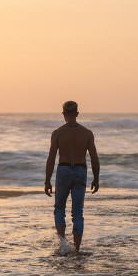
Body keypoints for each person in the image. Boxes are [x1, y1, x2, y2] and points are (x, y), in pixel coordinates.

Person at [44, 100, 100, 253]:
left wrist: (47, 180)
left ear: (63, 114)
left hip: (63, 170)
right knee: (77, 213)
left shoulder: (57, 133)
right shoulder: (87, 133)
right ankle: (76, 249)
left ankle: (62, 245)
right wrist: (96, 178)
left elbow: (51, 158)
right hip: (81, 171)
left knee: (59, 209)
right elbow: (94, 158)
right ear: (77, 114)